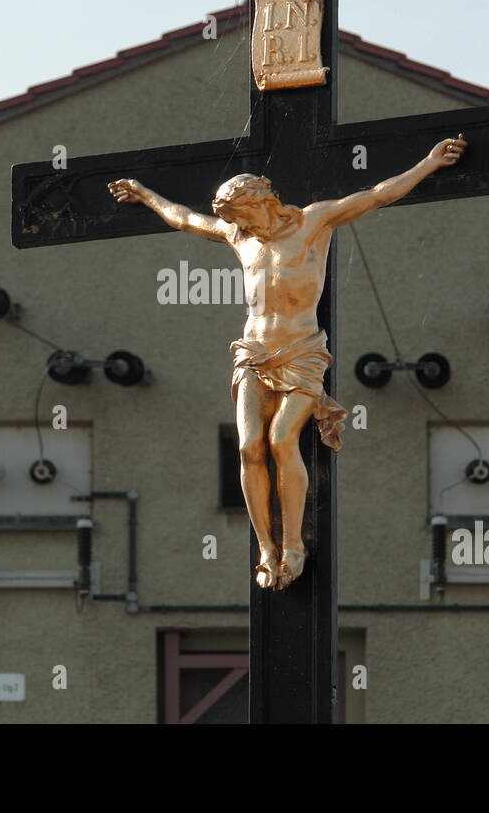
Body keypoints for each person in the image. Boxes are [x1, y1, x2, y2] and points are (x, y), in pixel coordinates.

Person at [108, 133, 467, 589]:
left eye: (245, 215)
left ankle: (293, 544)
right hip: (253, 353)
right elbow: (184, 220)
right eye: (236, 220)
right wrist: (145, 195)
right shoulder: (239, 236)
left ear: (264, 201)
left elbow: (377, 195)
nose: (243, 226)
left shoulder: (313, 223)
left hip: (300, 352)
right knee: (246, 446)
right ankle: (265, 547)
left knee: (281, 440)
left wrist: (429, 163)